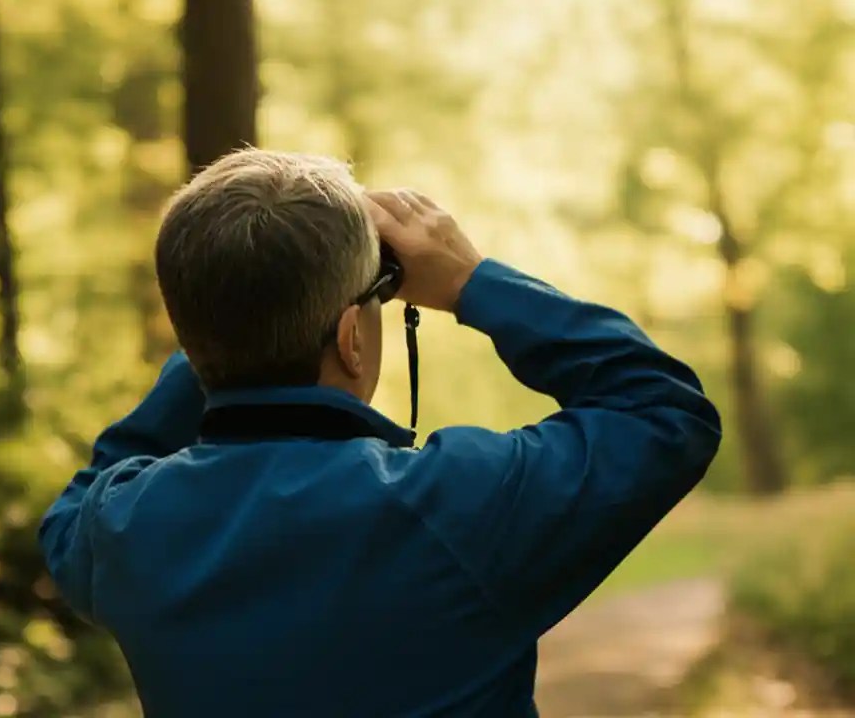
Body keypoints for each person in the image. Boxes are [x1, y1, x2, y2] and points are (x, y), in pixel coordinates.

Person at [38, 149, 721, 717]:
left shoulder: (123, 528)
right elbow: (664, 411)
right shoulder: (459, 504)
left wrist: (225, 333)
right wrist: (469, 280)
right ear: (350, 340)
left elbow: (77, 500)